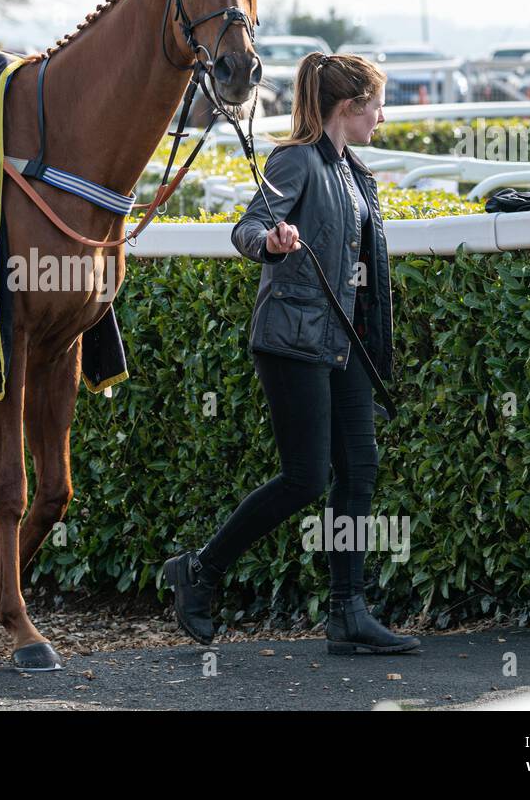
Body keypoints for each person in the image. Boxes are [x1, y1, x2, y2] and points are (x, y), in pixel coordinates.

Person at [162, 51, 421, 655]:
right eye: (378, 104)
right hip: (294, 341)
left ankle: (347, 614)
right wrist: (272, 243)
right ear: (351, 106)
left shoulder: (355, 172)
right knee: (307, 478)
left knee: (359, 472)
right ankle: (199, 572)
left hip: (345, 344)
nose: (383, 116)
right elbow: (248, 227)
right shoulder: (296, 160)